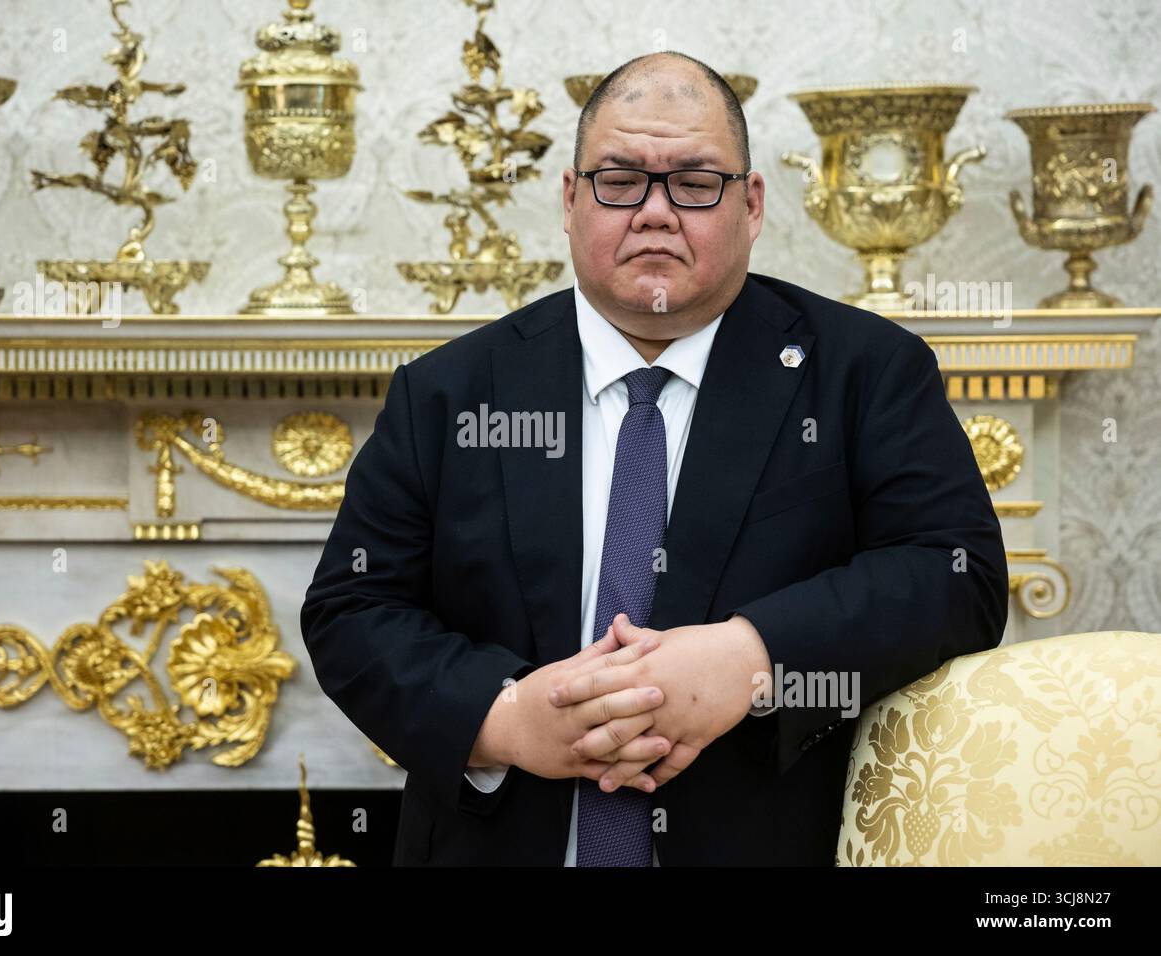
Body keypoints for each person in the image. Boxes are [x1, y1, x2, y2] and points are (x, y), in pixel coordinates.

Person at [300, 51, 1008, 865]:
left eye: (695, 182)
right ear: (570, 201)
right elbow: (352, 610)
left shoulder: (863, 372)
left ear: (751, 205)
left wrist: (752, 657)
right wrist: (505, 720)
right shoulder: (451, 393)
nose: (656, 211)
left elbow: (960, 576)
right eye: (620, 178)